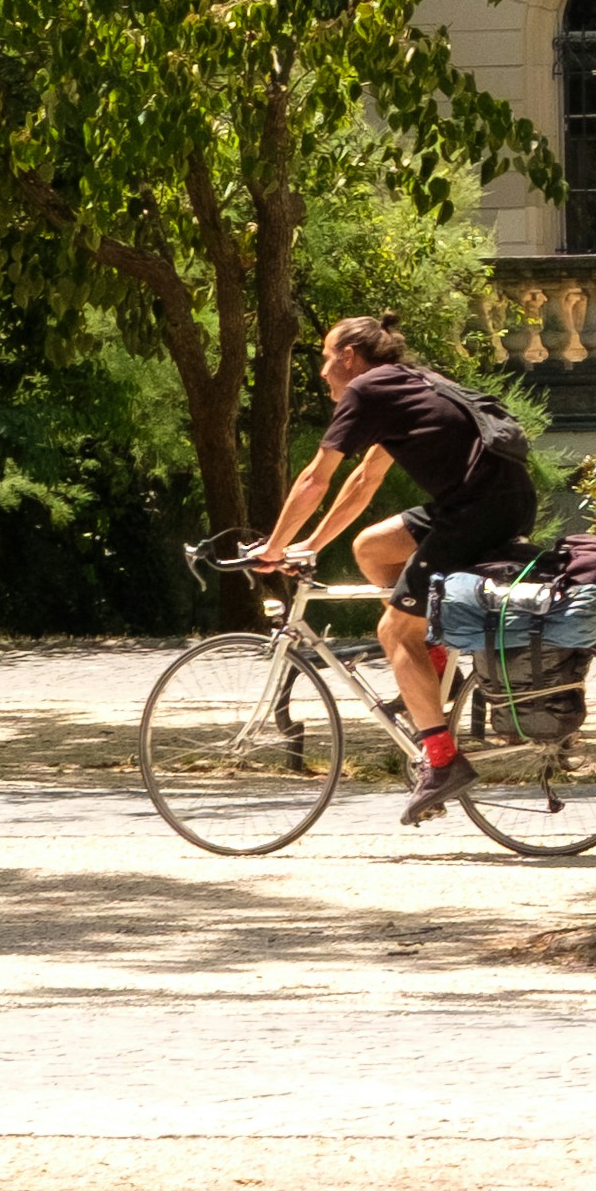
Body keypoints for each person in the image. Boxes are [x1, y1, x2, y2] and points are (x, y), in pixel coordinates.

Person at [246, 318, 542, 825]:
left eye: (325, 357)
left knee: (392, 627)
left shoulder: (366, 389)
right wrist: (309, 545)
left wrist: (273, 547)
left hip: (479, 511)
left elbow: (317, 478)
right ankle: (430, 668)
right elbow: (363, 481)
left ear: (350, 355)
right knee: (373, 548)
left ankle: (442, 761)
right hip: (492, 502)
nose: (322, 372)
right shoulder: (406, 383)